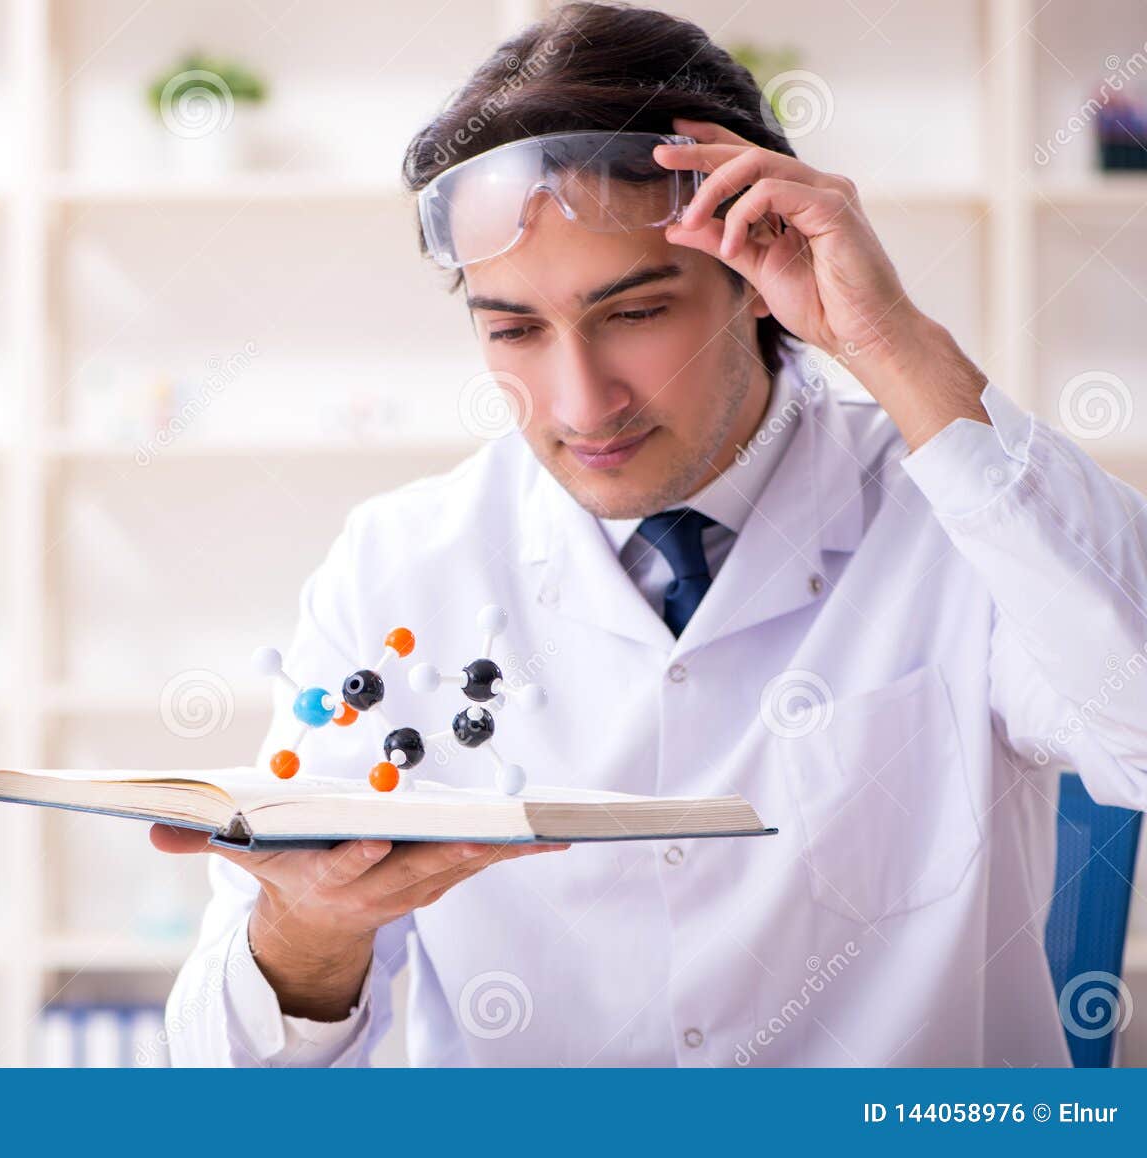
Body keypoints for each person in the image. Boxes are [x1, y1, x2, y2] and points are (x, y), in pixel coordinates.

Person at [151, 2, 1147, 1065]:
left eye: (633, 314)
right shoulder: (399, 566)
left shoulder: (958, 512)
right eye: (515, 330)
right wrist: (309, 933)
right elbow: (230, 1084)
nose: (581, 403)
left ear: (758, 277)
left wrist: (890, 340)